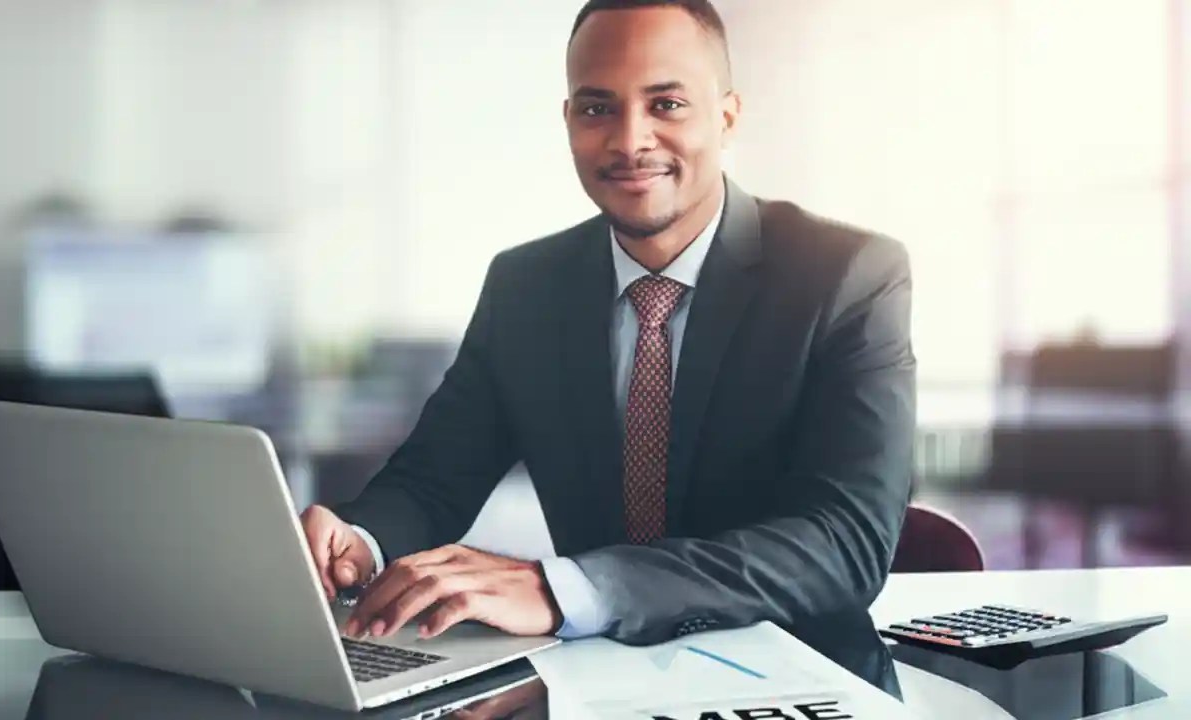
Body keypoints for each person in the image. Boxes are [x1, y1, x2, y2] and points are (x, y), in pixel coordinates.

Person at [299, 0, 915, 696]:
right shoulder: (526, 285)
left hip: (795, 680)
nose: (630, 140)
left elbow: (845, 544)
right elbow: (435, 478)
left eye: (667, 104)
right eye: (598, 109)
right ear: (568, 123)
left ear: (728, 116)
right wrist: (360, 543)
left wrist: (565, 588)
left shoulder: (846, 275)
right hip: (588, 683)